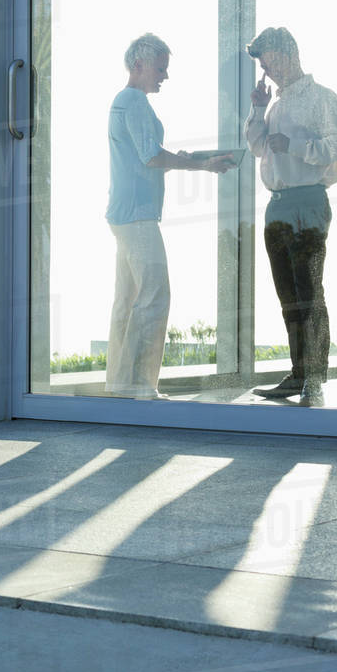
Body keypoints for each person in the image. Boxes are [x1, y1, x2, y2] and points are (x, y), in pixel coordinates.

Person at [105, 34, 234, 399]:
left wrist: (186, 159)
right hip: (138, 216)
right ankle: (140, 387)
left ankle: (119, 386)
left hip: (124, 212)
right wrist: (202, 165)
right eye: (160, 69)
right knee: (154, 296)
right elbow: (151, 156)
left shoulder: (123, 101)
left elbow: (146, 155)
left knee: (128, 300)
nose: (165, 76)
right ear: (138, 65)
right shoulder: (134, 101)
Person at [244, 27, 337, 407]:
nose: (267, 71)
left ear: (289, 56)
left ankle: (314, 378)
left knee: (309, 292)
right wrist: (258, 108)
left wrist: (294, 145)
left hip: (308, 202)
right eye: (263, 65)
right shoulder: (275, 104)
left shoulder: (322, 98)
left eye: (270, 61)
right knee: (288, 295)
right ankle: (299, 374)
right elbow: (258, 148)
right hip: (278, 204)